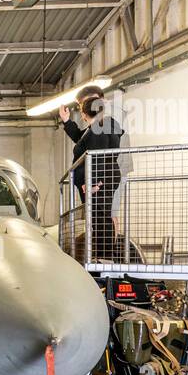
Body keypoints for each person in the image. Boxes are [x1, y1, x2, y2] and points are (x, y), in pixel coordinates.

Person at [59, 88, 124, 261]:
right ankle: (103, 257)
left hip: (99, 181)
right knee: (98, 218)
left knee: (103, 217)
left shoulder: (104, 126)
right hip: (95, 181)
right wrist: (67, 122)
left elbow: (103, 156)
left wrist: (96, 183)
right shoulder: (93, 129)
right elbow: (82, 141)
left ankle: (105, 258)